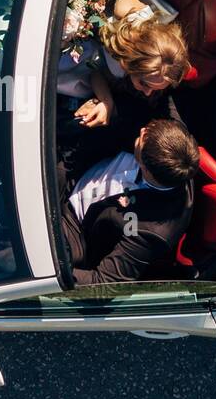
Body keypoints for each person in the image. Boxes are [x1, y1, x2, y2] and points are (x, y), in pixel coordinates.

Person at [59, 118, 199, 285]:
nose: (140, 132)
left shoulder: (150, 233)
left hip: (72, 229)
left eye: (140, 141)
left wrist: (54, 276)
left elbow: (104, 282)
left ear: (144, 167)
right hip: (69, 171)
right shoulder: (167, 141)